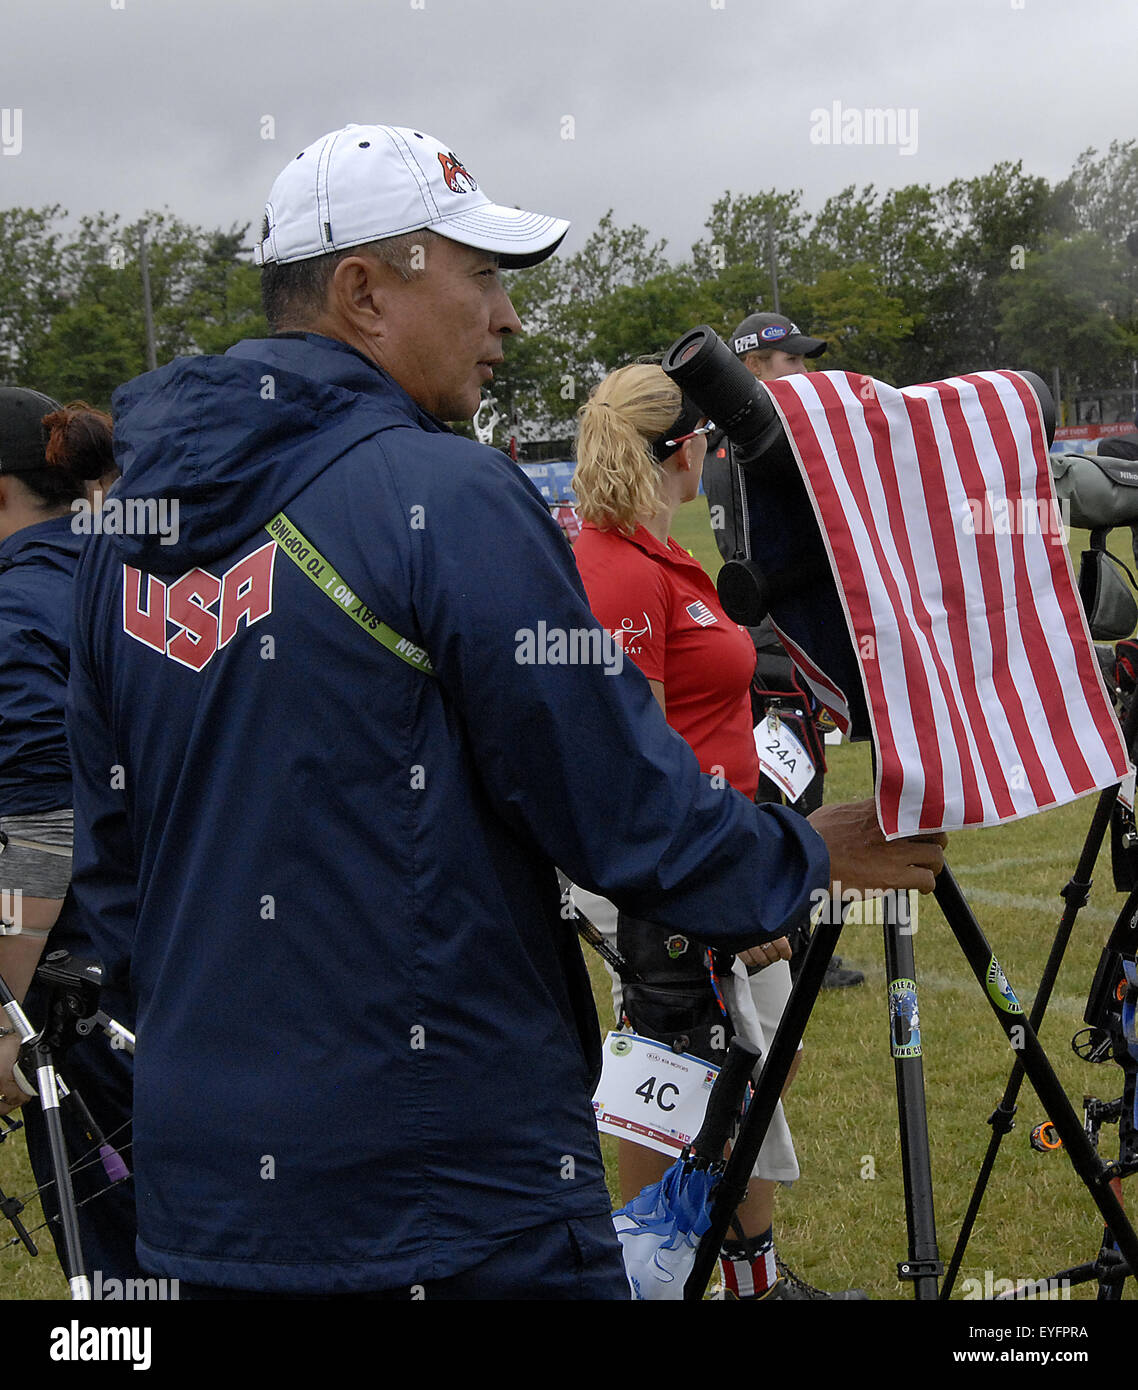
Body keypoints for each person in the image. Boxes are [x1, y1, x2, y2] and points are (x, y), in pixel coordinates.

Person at [66, 123, 945, 1298]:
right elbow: (620, 804)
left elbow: (106, 876)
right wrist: (799, 851)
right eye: (479, 276)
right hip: (452, 1196)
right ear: (362, 291)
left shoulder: (120, 533)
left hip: (205, 1195)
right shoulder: (447, 492)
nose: (510, 317)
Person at [571, 362, 864, 1299]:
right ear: (683, 444)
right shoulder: (616, 565)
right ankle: (669, 1280)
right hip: (681, 874)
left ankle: (738, 1279)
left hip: (719, 848)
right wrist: (723, 898)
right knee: (682, 1078)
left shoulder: (656, 551)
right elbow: (636, 760)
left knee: (742, 1070)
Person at [0, 392, 138, 1281]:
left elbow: (40, 824)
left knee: (123, 1275)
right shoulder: (133, 576)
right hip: (211, 966)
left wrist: (4, 1010)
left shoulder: (16, 610)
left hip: (94, 993)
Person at [708, 311, 866, 991]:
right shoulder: (754, 449)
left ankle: (792, 939)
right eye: (790, 363)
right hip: (777, 640)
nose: (804, 373)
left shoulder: (726, 446)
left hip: (767, 638)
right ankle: (799, 948)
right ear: (751, 368)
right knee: (794, 792)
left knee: (791, 783)